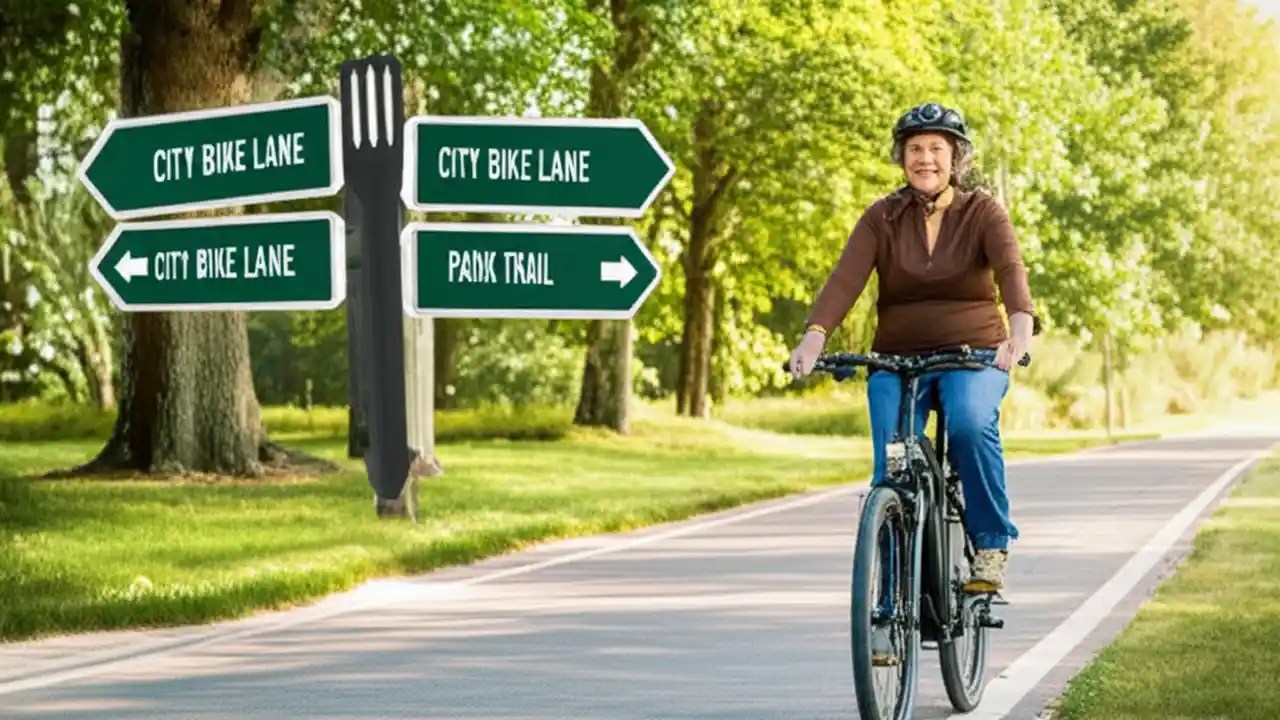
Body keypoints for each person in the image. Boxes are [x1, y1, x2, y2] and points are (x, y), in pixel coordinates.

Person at [788, 102, 1039, 596]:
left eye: (936, 150)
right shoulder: (882, 216)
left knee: (968, 421)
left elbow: (1011, 271)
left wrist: (1021, 330)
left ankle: (990, 544)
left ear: (956, 158)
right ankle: (891, 596)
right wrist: (814, 336)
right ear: (902, 157)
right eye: (915, 149)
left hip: (974, 354)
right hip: (898, 359)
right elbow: (845, 279)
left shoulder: (983, 211)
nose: (925, 159)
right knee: (892, 465)